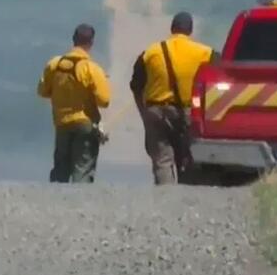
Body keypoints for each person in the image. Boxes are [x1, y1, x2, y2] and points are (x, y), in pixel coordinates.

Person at [129, 11, 214, 185]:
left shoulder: (150, 53)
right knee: (189, 159)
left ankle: (165, 197)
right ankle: (186, 194)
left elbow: (136, 86)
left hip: (156, 112)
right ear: (190, 31)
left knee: (162, 160)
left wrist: (144, 114)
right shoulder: (206, 53)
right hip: (190, 113)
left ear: (172, 28)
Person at [37, 23, 111, 183]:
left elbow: (42, 91)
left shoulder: (54, 64)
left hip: (62, 123)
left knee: (60, 169)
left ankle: (55, 197)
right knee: (82, 170)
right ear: (91, 42)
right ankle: (79, 198)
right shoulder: (92, 69)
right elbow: (104, 101)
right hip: (85, 125)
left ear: (73, 39)